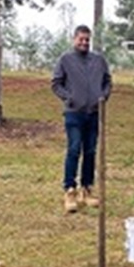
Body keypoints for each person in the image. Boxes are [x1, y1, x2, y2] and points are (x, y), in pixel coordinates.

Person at [51, 24, 112, 213]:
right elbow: (56, 83)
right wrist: (69, 98)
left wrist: (103, 96)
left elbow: (107, 81)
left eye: (87, 39)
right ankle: (70, 190)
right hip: (74, 113)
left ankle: (87, 189)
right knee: (74, 149)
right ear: (74, 39)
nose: (84, 42)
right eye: (81, 39)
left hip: (93, 113)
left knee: (91, 151)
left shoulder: (98, 61)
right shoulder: (66, 60)